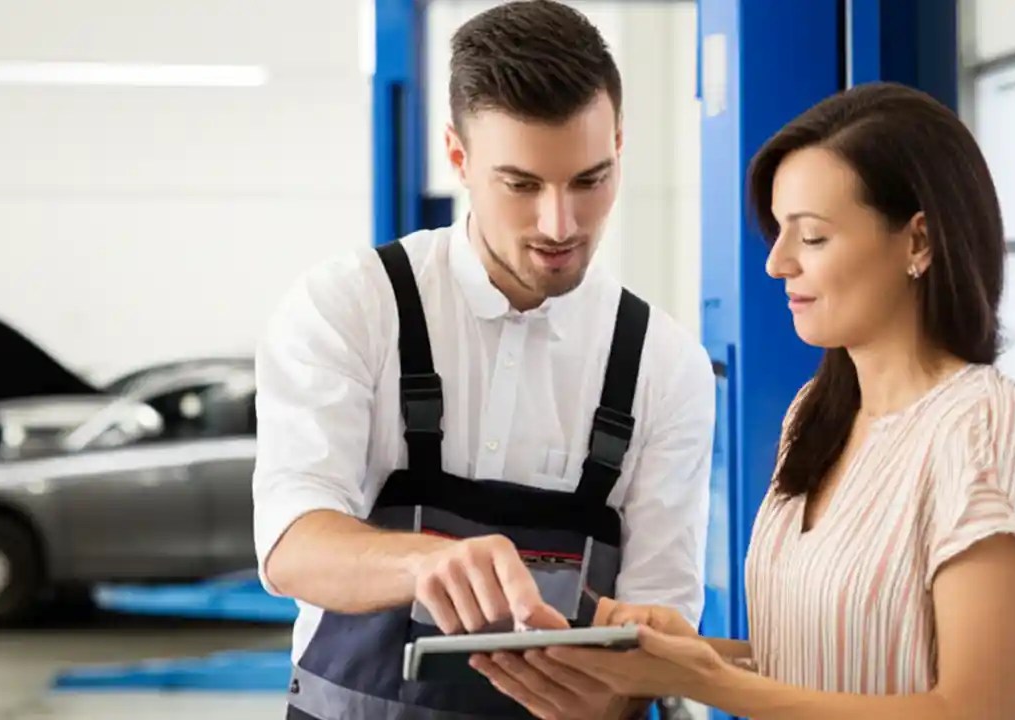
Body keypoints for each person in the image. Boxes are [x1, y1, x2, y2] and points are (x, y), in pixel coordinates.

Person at [474, 81, 1015, 720]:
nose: (777, 264)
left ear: (919, 242)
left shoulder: (983, 428)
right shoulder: (816, 417)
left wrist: (710, 685)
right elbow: (827, 663)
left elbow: (979, 709)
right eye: (779, 234)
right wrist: (691, 656)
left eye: (811, 238)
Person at [250, 2, 715, 718]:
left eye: (590, 180)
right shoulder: (350, 306)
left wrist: (622, 693)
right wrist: (427, 561)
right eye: (522, 185)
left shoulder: (665, 366)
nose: (560, 225)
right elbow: (292, 543)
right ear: (459, 157)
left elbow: (657, 617)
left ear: (620, 147)